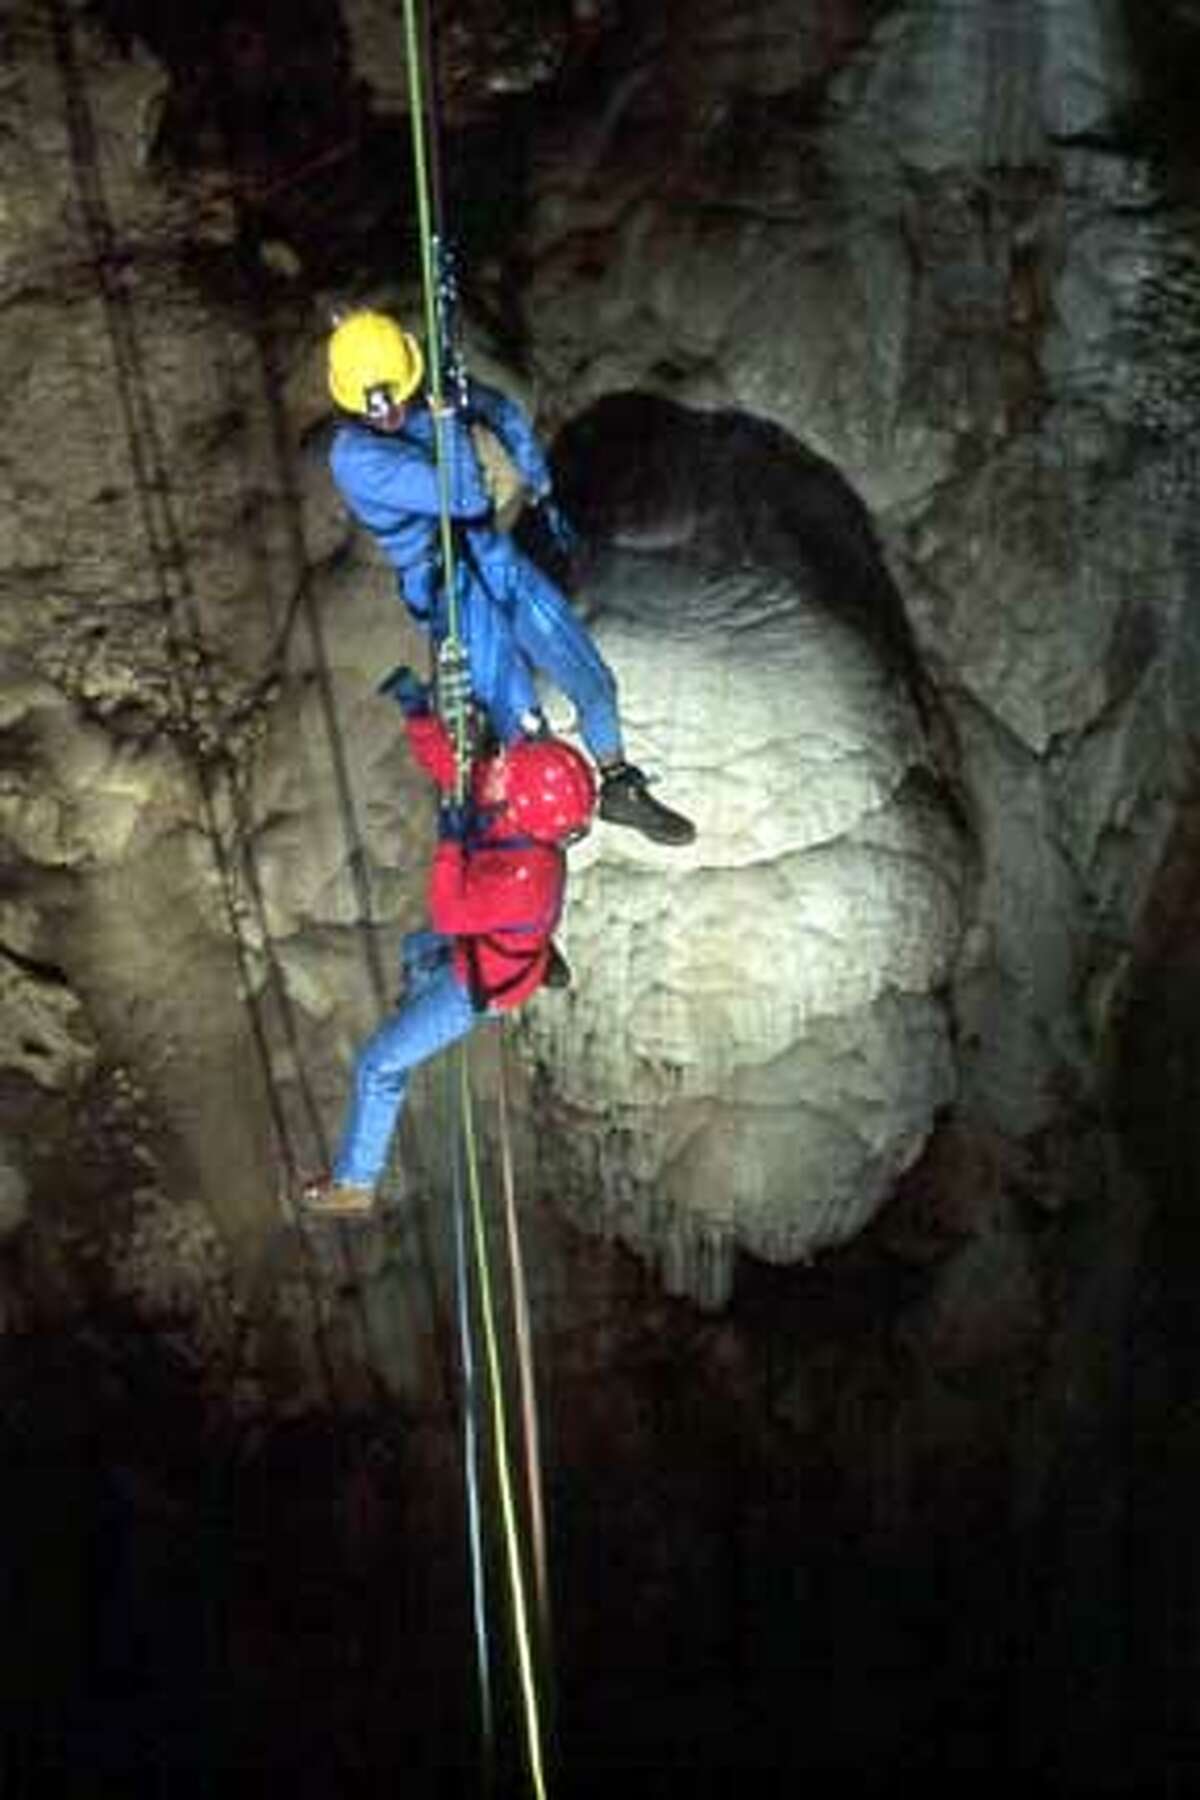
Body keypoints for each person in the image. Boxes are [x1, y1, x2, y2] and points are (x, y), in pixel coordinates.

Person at [325, 307, 696, 847]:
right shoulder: (355, 457)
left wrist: (539, 480)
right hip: (446, 583)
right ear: (353, 403)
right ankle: (539, 834)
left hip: (489, 551)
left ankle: (620, 786)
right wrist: (447, 419)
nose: (392, 412)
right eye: (378, 405)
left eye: (399, 396)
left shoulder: (424, 394)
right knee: (520, 715)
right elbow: (464, 495)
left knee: (592, 679)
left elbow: (496, 408)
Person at [301, 669, 596, 1216]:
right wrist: (418, 714)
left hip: (479, 984)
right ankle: (535, 957)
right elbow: (455, 774)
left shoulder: (525, 875)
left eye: (511, 770)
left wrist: (450, 845)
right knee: (417, 948)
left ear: (523, 805)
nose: (502, 765)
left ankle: (355, 1184)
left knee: (378, 1065)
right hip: (486, 943)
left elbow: (451, 908)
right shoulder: (520, 811)